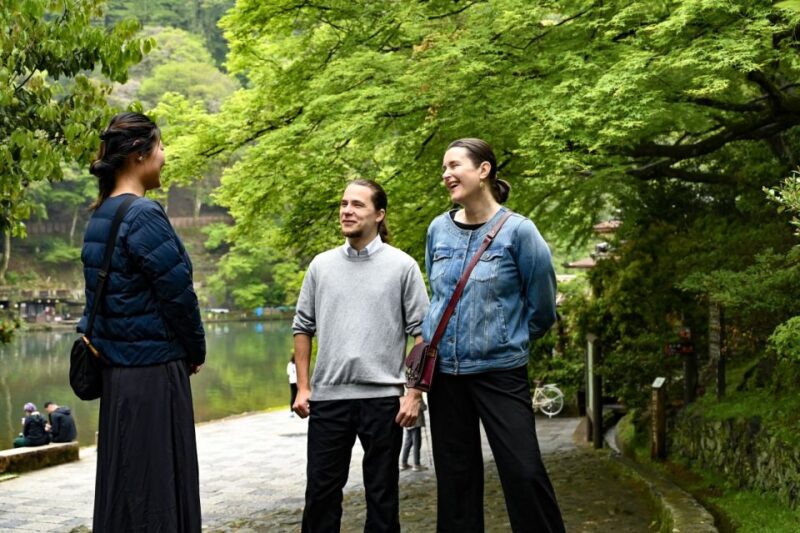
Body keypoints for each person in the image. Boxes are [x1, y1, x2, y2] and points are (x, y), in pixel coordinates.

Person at [422, 138, 565, 532]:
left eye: (454, 166)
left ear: (484, 170)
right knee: (456, 481)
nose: (446, 175)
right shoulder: (438, 229)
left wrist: (507, 339)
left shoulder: (520, 232)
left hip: (500, 372)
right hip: (446, 376)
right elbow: (438, 298)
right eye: (444, 169)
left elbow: (542, 309)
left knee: (524, 472)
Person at [79, 112, 206, 533]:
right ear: (139, 155)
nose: (164, 156)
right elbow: (178, 295)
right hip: (154, 376)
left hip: (119, 379)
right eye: (161, 146)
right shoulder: (144, 215)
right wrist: (195, 349)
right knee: (160, 489)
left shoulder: (100, 216)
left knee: (126, 487)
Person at [292, 179, 430, 533]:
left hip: (384, 399)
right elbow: (302, 326)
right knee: (320, 496)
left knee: (382, 497)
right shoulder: (321, 266)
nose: (347, 211)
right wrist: (303, 388)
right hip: (328, 398)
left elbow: (423, 334)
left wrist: (414, 394)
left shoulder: (402, 266)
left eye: (357, 205)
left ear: (379, 214)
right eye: (343, 204)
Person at [400, 395, 427, 472]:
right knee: (417, 444)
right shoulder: (416, 395)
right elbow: (423, 407)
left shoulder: (405, 395)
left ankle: (403, 463)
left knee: (407, 444)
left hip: (408, 423)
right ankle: (416, 464)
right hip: (416, 422)